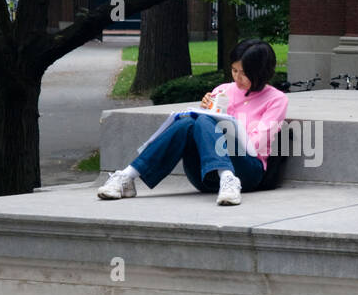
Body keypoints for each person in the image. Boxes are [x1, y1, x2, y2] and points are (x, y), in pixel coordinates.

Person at [99, 39, 289, 206]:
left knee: (203, 120)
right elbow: (202, 136)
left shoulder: (276, 99)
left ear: (261, 73)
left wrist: (221, 122)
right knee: (189, 123)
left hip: (246, 171)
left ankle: (229, 179)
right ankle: (127, 177)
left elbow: (255, 146)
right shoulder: (223, 90)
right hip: (205, 175)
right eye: (234, 70)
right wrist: (207, 111)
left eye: (244, 73)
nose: (237, 78)